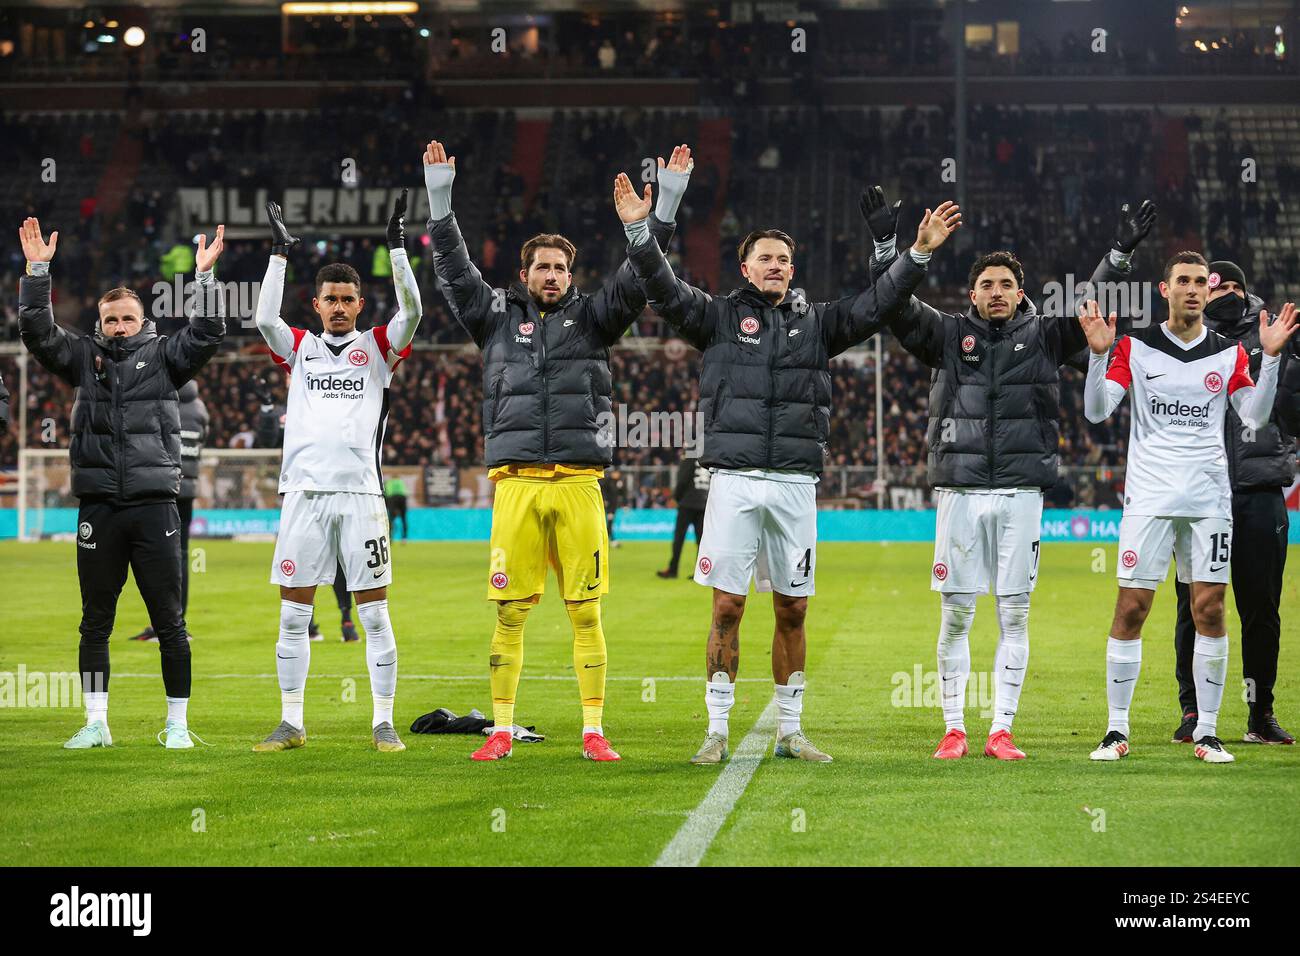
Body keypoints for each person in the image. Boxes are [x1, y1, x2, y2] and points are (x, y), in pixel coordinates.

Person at [626, 187, 959, 765]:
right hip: (732, 480)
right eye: (766, 258)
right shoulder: (717, 317)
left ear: (792, 269)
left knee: (793, 609)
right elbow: (662, 289)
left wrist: (914, 253)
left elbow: (879, 304)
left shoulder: (821, 323)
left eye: (784, 259)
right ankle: (716, 730)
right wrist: (640, 232)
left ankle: (791, 729)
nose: (776, 266)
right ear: (745, 266)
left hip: (795, 485)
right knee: (726, 606)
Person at [426, 138, 689, 762]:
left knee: (585, 612)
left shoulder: (596, 318)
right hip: (515, 484)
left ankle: (594, 732)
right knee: (510, 614)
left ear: (571, 276)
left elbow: (644, 276)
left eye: (561, 268)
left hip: (578, 483)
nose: (551, 275)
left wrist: (660, 211)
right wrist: (441, 198)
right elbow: (455, 270)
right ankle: (499, 729)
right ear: (524, 274)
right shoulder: (492, 319)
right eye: (542, 267)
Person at [873, 189, 1151, 761]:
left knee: (1014, 613)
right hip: (960, 492)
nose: (996, 293)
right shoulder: (948, 336)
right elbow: (892, 307)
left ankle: (1001, 728)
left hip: (1022, 492)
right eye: (986, 285)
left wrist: (1118, 255)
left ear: (1020, 293)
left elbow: (1090, 303)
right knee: (956, 614)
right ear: (971, 294)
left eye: (1006, 285)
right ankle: (954, 728)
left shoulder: (1047, 336)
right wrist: (892, 249)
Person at [18, 216, 226, 750]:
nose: (119, 327)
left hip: (156, 507)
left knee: (170, 624)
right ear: (99, 325)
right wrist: (38, 271)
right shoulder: (83, 361)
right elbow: (38, 332)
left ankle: (177, 725)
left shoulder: (165, 359)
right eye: (110, 320)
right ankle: (96, 723)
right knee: (94, 623)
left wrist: (204, 281)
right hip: (98, 509)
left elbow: (207, 333)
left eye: (127, 319)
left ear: (144, 321)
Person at [1080, 252, 1297, 765]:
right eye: (1185, 281)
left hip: (1208, 499)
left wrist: (1267, 358)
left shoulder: (1228, 353)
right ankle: (1115, 730)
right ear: (1165, 289)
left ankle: (1209, 732)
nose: (1195, 289)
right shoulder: (1134, 346)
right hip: (1149, 498)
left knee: (1210, 610)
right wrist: (1095, 355)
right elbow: (1095, 411)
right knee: (1132, 608)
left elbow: (1256, 416)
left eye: (1201, 282)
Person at [251, 186, 421, 754]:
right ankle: (291, 722)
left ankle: (383, 721)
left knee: (374, 615)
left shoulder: (377, 348)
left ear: (359, 305)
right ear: (318, 304)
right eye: (332, 299)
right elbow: (262, 317)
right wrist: (278, 253)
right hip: (302, 495)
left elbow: (413, 311)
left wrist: (398, 247)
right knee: (294, 613)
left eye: (349, 299)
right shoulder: (298, 346)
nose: (341, 306)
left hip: (361, 498)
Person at [1169, 260, 1300, 745]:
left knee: (1260, 609)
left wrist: (1282, 359)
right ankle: (1192, 712)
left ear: (1238, 290)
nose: (1206, 293)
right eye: (1199, 285)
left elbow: (1292, 410)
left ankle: (1259, 712)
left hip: (1258, 489)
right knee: (1192, 605)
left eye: (1213, 285)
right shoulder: (1186, 342)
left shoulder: (1277, 339)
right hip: (1199, 494)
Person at [254, 374, 357, 643]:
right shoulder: (284, 412)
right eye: (288, 375)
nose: (291, 378)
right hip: (298, 495)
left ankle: (346, 618)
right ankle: (307, 624)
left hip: (336, 489)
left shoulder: (334, 400)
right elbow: (268, 441)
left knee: (339, 559)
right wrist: (266, 409)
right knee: (299, 559)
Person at [130, 379, 208, 642]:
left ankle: (165, 624)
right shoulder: (200, 409)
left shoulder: (163, 404)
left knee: (160, 557)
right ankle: (177, 622)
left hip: (164, 489)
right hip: (188, 491)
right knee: (182, 555)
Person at [657, 455, 710, 578]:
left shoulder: (689, 457)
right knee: (701, 540)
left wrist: (675, 498)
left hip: (687, 503)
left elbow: (683, 479)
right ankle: (700, 572)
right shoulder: (707, 458)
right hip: (703, 502)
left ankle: (673, 569)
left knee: (679, 538)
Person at [384, 474, 409, 540]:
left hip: (392, 498)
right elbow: (406, 492)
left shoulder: (389, 482)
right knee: (403, 518)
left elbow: (386, 493)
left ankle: (390, 537)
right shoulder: (401, 482)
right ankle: (404, 537)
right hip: (402, 498)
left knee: (391, 519)